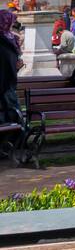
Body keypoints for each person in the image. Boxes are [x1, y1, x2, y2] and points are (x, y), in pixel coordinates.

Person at [0, 9, 24, 150]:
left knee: (12, 117)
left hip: (8, 87)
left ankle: (12, 147)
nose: (12, 24)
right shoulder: (4, 41)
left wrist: (17, 67)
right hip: (4, 88)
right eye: (10, 22)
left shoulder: (9, 39)